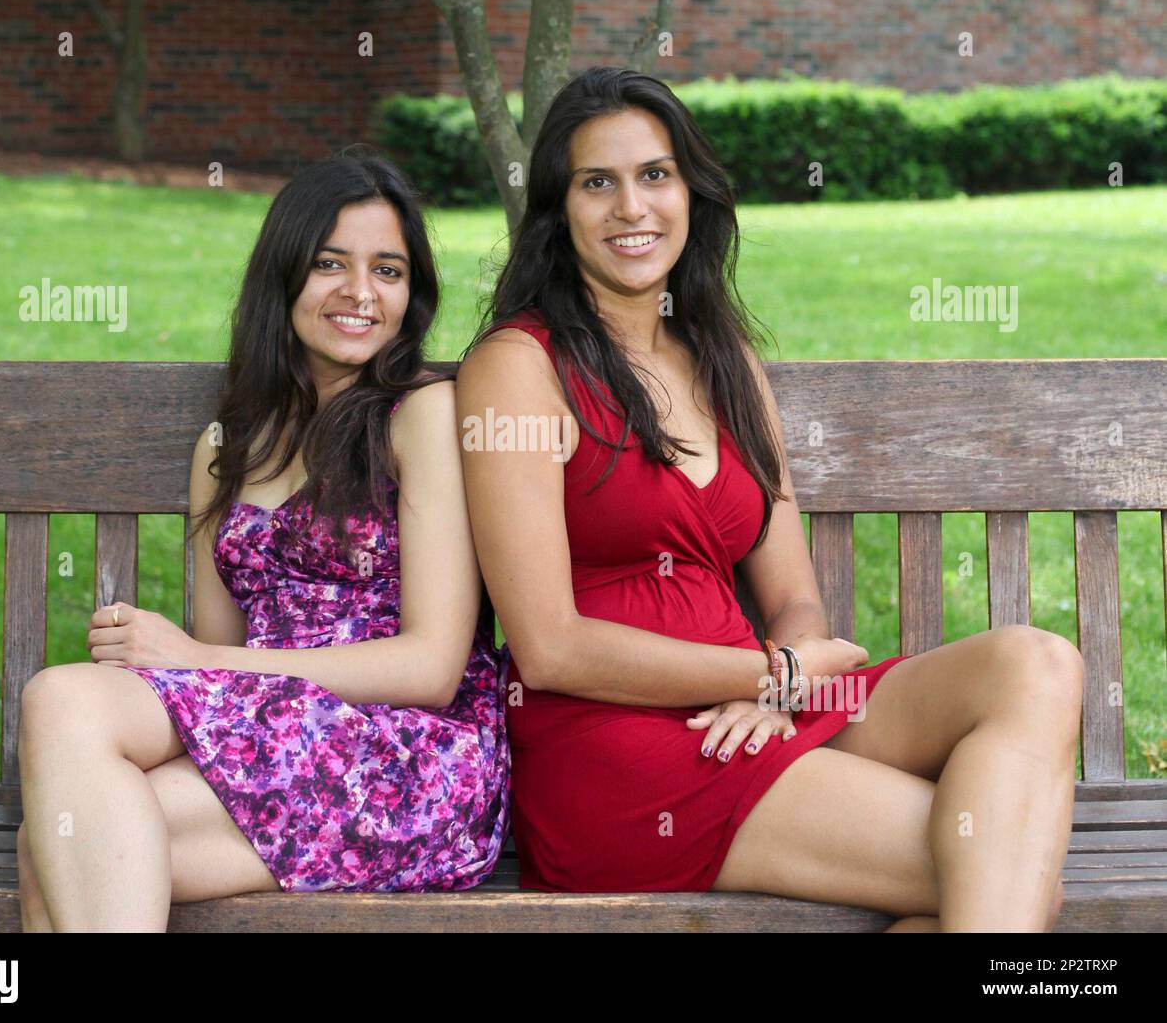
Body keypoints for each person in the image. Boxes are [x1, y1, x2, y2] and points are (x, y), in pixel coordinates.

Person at [454, 66, 1081, 932]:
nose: (632, 207)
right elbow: (550, 644)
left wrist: (780, 681)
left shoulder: (723, 356)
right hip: (622, 757)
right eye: (598, 182)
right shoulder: (517, 368)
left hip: (759, 716)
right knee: (1011, 874)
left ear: (690, 192)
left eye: (655, 175)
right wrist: (770, 672)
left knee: (1038, 665)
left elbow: (792, 595)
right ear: (560, 210)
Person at [16, 151, 510, 932]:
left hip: (404, 759)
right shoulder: (226, 449)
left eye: (388, 269)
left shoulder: (420, 416)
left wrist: (200, 659)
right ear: (282, 277)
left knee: (58, 845)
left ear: (412, 294)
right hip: (271, 735)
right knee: (64, 769)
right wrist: (188, 657)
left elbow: (430, 666)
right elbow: (211, 682)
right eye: (329, 264)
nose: (359, 292)